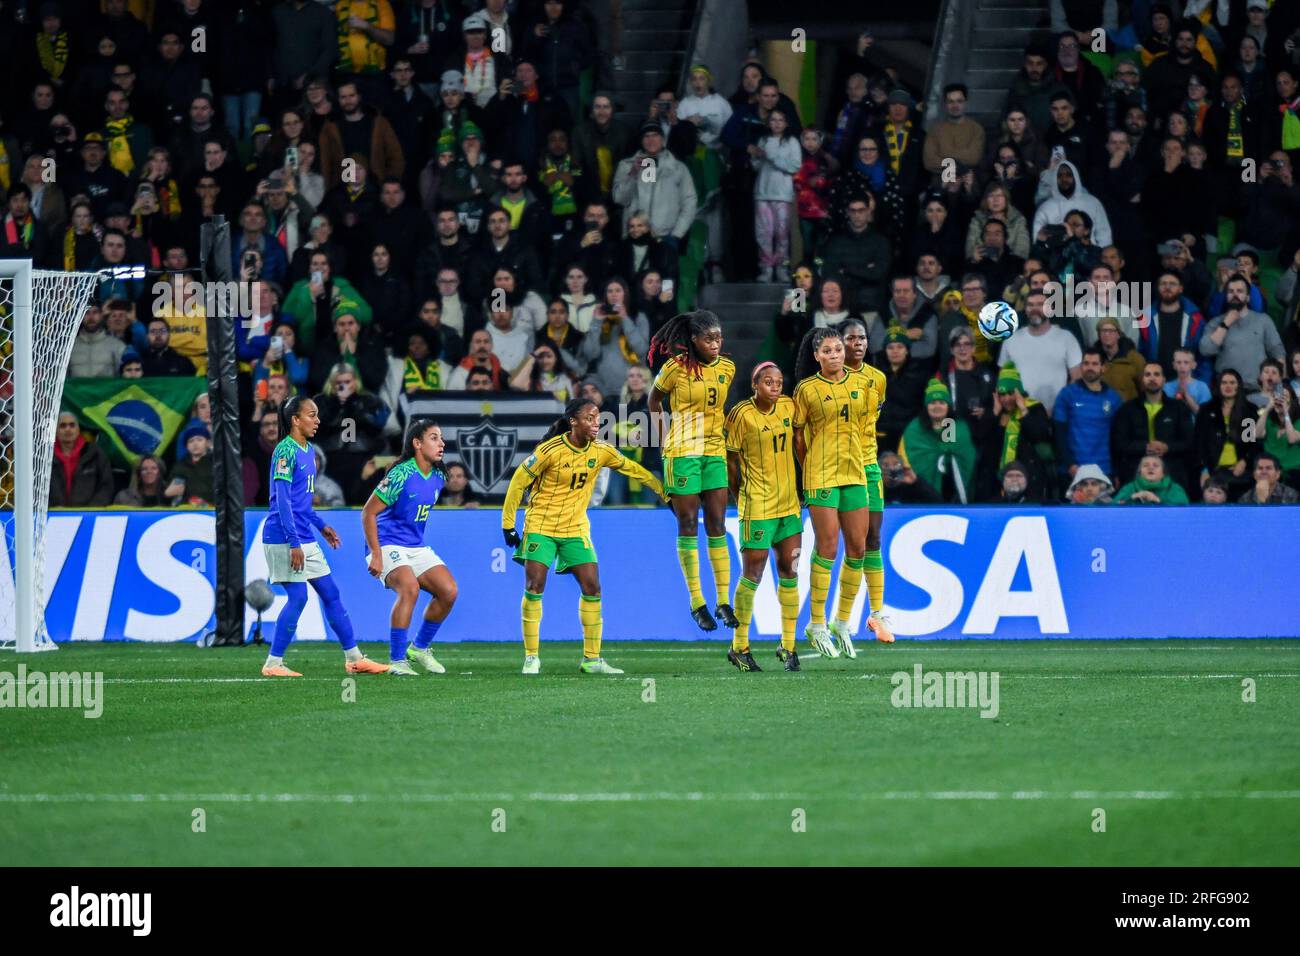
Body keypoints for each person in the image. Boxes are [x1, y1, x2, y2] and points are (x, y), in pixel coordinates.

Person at [501, 397, 666, 675]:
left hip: (576, 528)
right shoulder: (549, 450)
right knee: (535, 586)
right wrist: (508, 525)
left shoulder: (601, 451)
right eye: (589, 418)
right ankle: (531, 656)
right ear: (573, 421)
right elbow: (519, 481)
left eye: (598, 418)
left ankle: (592, 659)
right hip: (541, 524)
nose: (596, 423)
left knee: (592, 587)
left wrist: (663, 491)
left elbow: (632, 468)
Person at [258, 395, 389, 677]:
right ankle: (273, 664)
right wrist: (294, 543)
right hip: (284, 536)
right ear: (295, 420)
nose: (317, 421)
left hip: (304, 533)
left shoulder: (307, 451)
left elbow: (301, 501)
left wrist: (320, 524)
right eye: (311, 415)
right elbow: (281, 502)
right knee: (298, 597)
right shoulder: (285, 451)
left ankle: (354, 659)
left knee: (331, 593)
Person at [793, 326, 892, 657]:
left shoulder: (864, 384)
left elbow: (866, 432)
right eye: (828, 351)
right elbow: (798, 436)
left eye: (839, 350)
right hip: (821, 475)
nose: (835, 355)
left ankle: (842, 621)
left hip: (856, 472)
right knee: (827, 547)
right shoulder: (806, 390)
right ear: (817, 355)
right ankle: (816, 622)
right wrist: (809, 469)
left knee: (859, 548)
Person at [647, 311, 737, 633]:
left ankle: (723, 600)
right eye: (709, 339)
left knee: (717, 523)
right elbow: (654, 400)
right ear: (694, 340)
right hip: (682, 452)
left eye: (719, 338)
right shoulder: (674, 368)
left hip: (714, 451)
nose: (715, 344)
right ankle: (697, 601)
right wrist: (662, 439)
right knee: (687, 523)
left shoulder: (727, 368)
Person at [362, 418, 458, 677]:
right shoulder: (401, 473)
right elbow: (368, 513)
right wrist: (377, 555)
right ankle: (397, 660)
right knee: (409, 588)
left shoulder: (438, 476)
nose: (442, 443)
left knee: (449, 591)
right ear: (417, 443)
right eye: (434, 438)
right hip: (386, 543)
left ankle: (420, 649)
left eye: (441, 438)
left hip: (415, 546)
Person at [722, 362, 802, 673]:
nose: (775, 385)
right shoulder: (741, 414)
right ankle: (739, 645)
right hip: (757, 506)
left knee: (790, 571)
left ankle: (789, 645)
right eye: (768, 381)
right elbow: (730, 460)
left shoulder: (788, 407)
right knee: (753, 574)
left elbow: (798, 443)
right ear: (755, 384)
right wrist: (739, 495)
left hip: (789, 505)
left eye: (779, 381)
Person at [839, 318, 890, 646]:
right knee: (845, 546)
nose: (857, 343)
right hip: (839, 468)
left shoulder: (877, 378)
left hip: (869, 465)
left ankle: (877, 612)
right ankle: (839, 619)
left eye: (862, 338)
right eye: (850, 338)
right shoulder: (829, 380)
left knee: (873, 538)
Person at [899, 378, 978, 504]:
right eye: (933, 402)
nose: (937, 406)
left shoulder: (953, 425)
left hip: (951, 489)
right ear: (926, 406)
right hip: (921, 492)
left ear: (948, 406)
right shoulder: (916, 428)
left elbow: (954, 451)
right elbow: (906, 459)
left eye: (942, 402)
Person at [1053, 348, 1122, 484]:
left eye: (1095, 364)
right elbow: (1058, 433)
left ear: (1103, 368)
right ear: (1081, 367)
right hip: (1072, 470)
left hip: (1104, 470)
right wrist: (1070, 465)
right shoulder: (1067, 394)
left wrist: (1116, 470)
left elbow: (1118, 437)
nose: (1089, 367)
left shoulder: (1114, 398)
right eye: (1086, 363)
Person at [752, 108, 801, 282]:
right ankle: (766, 268)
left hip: (782, 194)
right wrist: (756, 156)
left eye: (780, 120)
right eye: (773, 119)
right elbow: (756, 166)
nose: (777, 123)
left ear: (786, 123)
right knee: (764, 233)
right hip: (762, 193)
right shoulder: (763, 140)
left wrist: (772, 157)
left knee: (781, 233)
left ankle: (782, 267)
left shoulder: (792, 142)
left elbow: (795, 166)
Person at [49, 413, 114, 508]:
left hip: (89, 516)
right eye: (63, 426)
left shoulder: (95, 453)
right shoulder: (45, 457)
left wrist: (90, 510)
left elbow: (106, 486)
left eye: (72, 425)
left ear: (78, 429)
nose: (68, 429)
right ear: (56, 431)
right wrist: (50, 509)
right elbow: (36, 488)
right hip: (52, 516)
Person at [165, 420, 216, 507]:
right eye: (191, 441)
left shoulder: (216, 463)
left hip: (211, 511)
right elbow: (170, 493)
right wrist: (167, 494)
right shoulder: (179, 466)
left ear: (207, 443)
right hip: (185, 512)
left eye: (199, 439)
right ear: (187, 446)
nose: (195, 444)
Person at [1114, 455, 1190, 505]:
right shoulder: (1129, 487)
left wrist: (1158, 500)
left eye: (1156, 465)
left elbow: (1183, 509)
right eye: (1145, 465)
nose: (1150, 468)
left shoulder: (1174, 488)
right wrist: (1132, 497)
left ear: (1163, 472)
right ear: (1139, 472)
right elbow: (1113, 507)